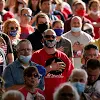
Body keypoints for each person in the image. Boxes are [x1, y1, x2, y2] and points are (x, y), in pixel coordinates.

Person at [31, 29, 74, 100]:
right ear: (42, 40)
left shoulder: (63, 56)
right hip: (42, 97)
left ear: (56, 39)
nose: (50, 39)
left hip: (61, 97)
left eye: (53, 37)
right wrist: (50, 67)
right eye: (47, 37)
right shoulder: (36, 56)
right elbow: (33, 76)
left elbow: (71, 76)